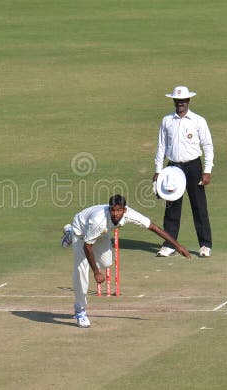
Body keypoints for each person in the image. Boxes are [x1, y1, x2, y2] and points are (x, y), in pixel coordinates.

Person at [60, 194, 189, 328]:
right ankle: (80, 310)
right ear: (109, 209)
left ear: (124, 210)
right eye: (113, 210)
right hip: (81, 232)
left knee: (107, 262)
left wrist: (177, 245)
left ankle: (69, 234)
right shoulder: (98, 220)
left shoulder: (130, 214)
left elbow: (153, 227)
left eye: (119, 210)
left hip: (101, 233)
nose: (115, 214)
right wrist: (96, 272)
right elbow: (87, 247)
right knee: (82, 271)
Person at [153, 85, 214, 258]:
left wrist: (207, 170)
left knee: (199, 205)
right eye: (177, 100)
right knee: (171, 206)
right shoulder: (166, 121)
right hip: (173, 167)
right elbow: (161, 146)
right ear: (174, 101)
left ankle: (205, 244)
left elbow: (208, 146)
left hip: (193, 166)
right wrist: (158, 170)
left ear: (188, 101)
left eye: (183, 100)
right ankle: (169, 244)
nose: (180, 103)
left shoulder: (198, 120)